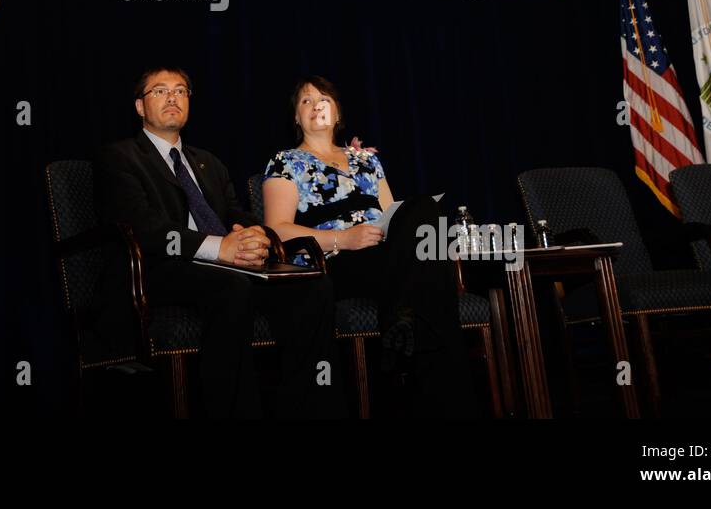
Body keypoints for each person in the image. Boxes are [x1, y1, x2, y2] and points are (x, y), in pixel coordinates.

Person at [95, 66, 343, 418]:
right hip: (157, 268)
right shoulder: (119, 157)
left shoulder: (208, 162)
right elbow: (145, 228)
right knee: (231, 287)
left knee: (311, 286)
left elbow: (235, 214)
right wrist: (219, 248)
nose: (172, 98)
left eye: (181, 91)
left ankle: (307, 408)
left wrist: (255, 235)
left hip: (224, 266)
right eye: (160, 91)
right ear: (140, 107)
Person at [262, 75, 475, 416]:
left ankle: (401, 326)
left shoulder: (367, 160)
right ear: (296, 118)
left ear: (339, 113)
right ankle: (446, 397)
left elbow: (392, 215)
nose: (316, 104)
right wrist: (343, 239)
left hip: (382, 254)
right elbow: (277, 231)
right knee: (433, 283)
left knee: (424, 209)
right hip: (334, 260)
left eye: (324, 98)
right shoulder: (285, 162)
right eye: (306, 100)